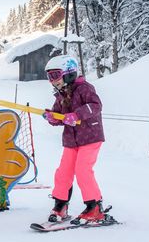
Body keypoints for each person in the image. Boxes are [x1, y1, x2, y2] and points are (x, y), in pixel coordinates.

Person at [43, 55, 107, 225]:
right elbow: (59, 116)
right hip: (72, 140)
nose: (52, 81)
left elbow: (95, 106)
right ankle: (60, 204)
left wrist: (77, 115)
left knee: (82, 170)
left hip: (90, 137)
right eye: (49, 76)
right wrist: (52, 117)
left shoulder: (84, 88)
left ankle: (94, 207)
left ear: (69, 73)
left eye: (55, 75)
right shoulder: (61, 94)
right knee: (63, 172)